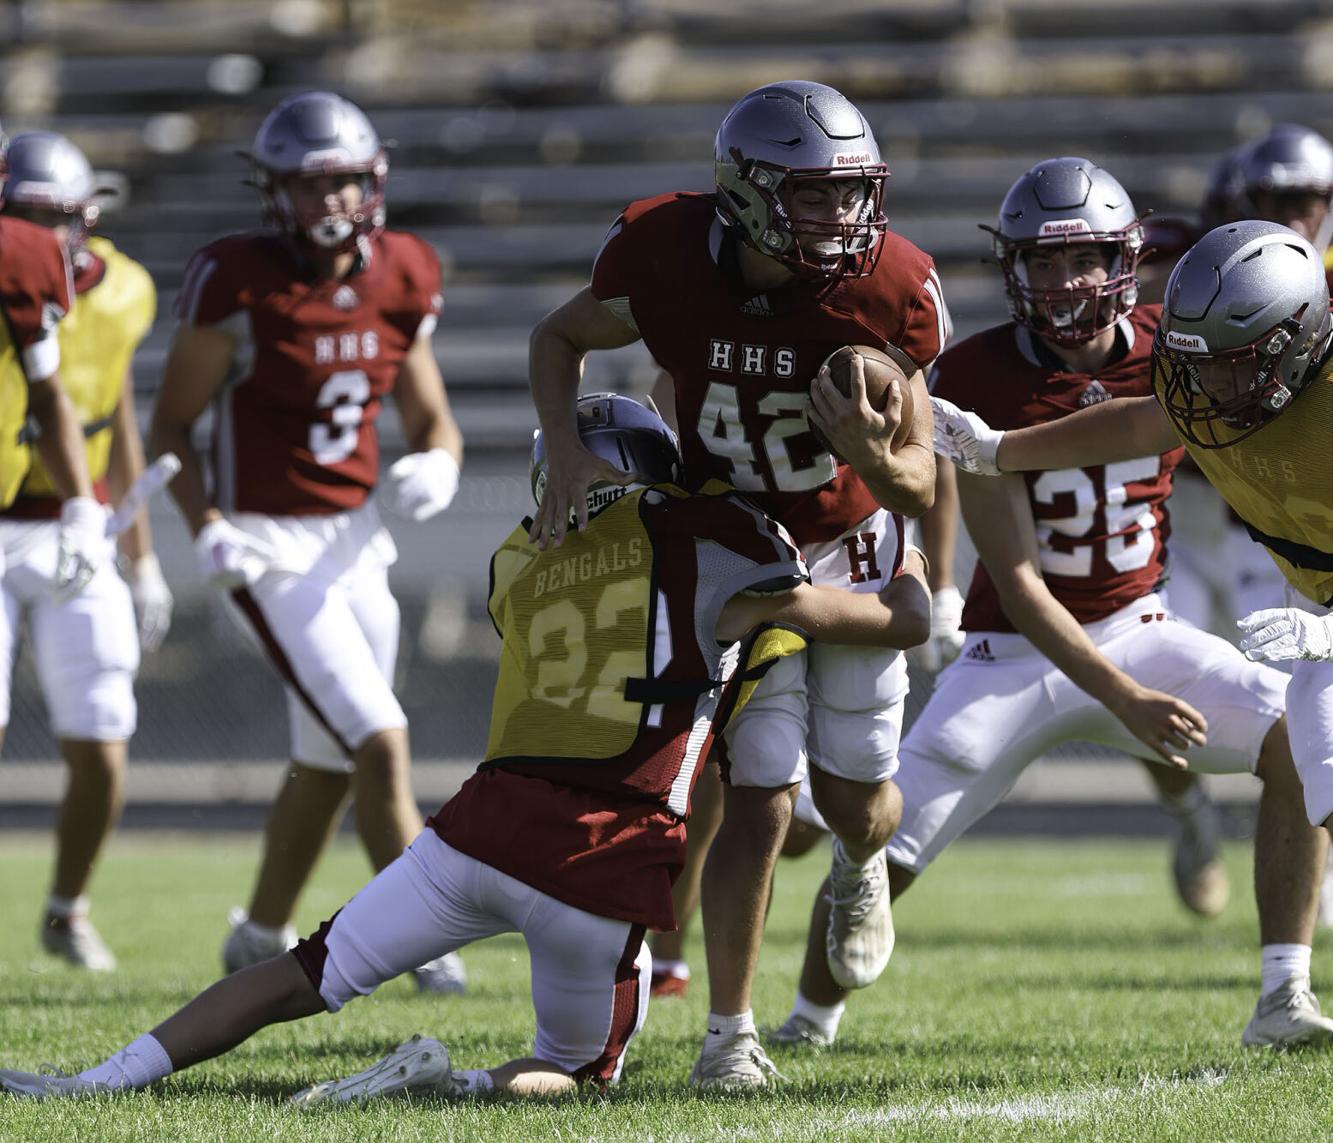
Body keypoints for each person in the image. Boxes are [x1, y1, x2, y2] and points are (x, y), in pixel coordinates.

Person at [0, 393, 932, 1103]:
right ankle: (456, 1082)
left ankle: (99, 1080)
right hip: (602, 857)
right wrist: (915, 551)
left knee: (300, 974)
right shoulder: (711, 545)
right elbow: (894, 622)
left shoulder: (519, 562)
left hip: (472, 833)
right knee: (578, 1073)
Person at [777, 163, 1332, 1052]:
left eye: (1081, 260)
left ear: (1123, 261)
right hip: (1013, 653)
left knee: (1294, 743)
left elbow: (1145, 415)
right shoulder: (981, 373)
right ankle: (807, 1020)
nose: (1062, 281)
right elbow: (1023, 579)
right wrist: (1125, 698)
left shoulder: (1189, 347)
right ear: (1011, 268)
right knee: (887, 843)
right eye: (1041, 261)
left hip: (1142, 624)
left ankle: (1282, 993)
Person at [528, 80, 947, 1086]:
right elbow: (558, 336)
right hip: (733, 543)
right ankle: (729, 1035)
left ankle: (857, 868)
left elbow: (921, 481)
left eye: (851, 193)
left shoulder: (888, 283)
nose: (841, 217)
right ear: (748, 192)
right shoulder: (662, 251)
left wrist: (868, 452)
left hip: (848, 546)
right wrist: (565, 450)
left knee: (856, 804)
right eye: (815, 195)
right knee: (757, 788)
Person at [931, 217, 1333, 1046]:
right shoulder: (1214, 388)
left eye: (1231, 362)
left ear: (1295, 346)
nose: (1207, 383)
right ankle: (1281, 1002)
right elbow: (1130, 424)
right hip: (1318, 608)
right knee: (1316, 760)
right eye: (1194, 361)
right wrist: (997, 450)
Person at [149, 91, 467, 992]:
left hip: (354, 539)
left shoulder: (403, 269)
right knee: (379, 736)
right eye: (307, 184)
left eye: (343, 182)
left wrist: (439, 464)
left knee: (328, 760)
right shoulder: (237, 278)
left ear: (374, 180)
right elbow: (169, 426)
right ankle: (423, 936)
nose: (328, 201)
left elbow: (431, 419)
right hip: (265, 544)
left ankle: (258, 934)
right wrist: (208, 526)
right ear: (273, 190)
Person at [0, 131, 169, 971]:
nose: (47, 237)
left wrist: (141, 556)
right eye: (29, 217)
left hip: (78, 520)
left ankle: (67, 909)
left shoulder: (126, 289)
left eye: (60, 218)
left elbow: (116, 420)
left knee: (103, 733)